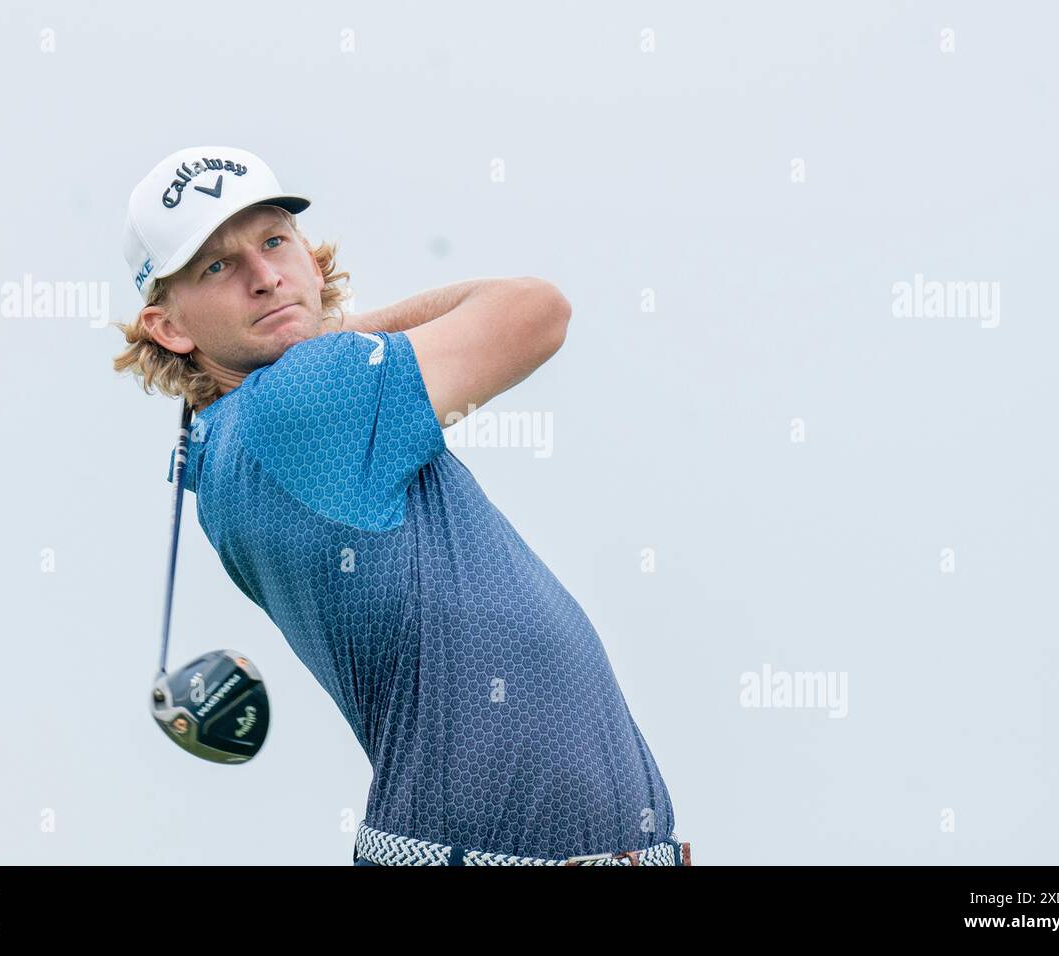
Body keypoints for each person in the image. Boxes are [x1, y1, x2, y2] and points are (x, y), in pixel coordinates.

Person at [113, 145, 691, 867]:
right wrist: (324, 331)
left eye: (273, 242)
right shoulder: (308, 396)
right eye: (217, 267)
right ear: (169, 326)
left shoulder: (224, 446)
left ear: (308, 256)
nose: (265, 278)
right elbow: (537, 309)